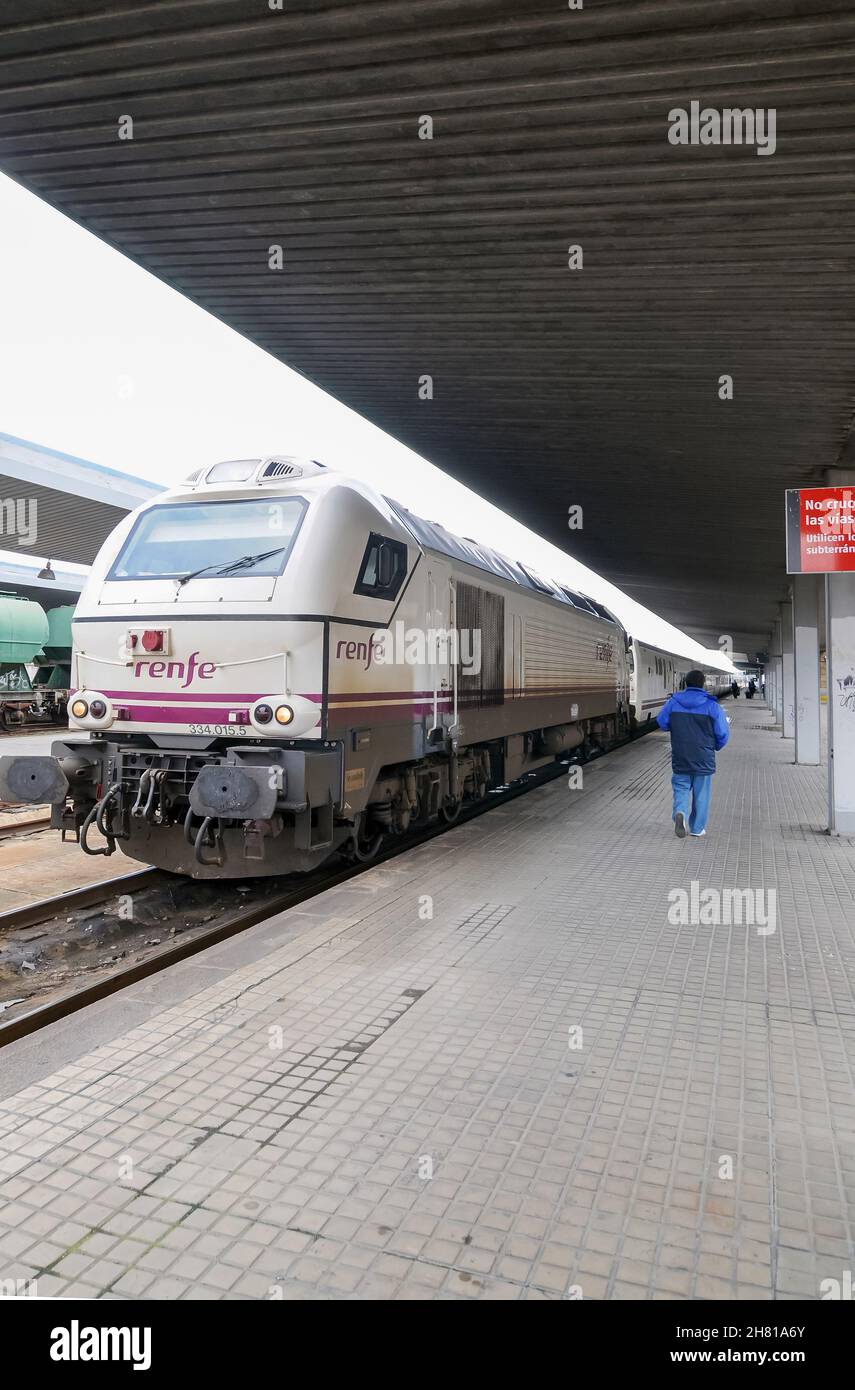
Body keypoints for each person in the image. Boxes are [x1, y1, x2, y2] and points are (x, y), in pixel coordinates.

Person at [656, 669, 730, 838]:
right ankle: (697, 829)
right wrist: (715, 747)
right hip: (704, 756)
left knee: (681, 787)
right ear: (703, 684)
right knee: (701, 793)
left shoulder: (673, 703)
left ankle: (680, 812)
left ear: (685, 683)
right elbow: (722, 734)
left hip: (681, 754)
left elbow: (662, 722)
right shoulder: (712, 706)